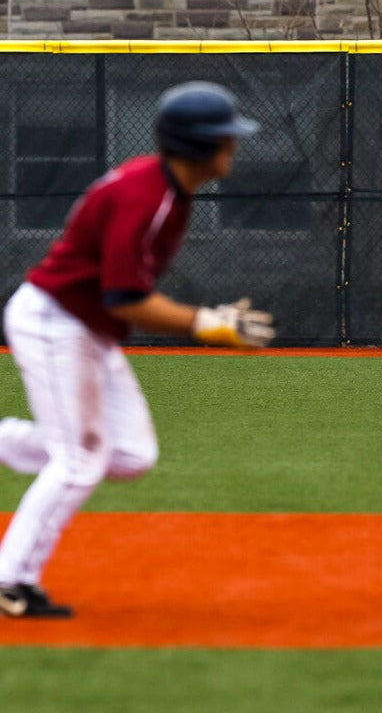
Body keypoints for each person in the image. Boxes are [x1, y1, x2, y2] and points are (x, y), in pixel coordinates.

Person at [0, 81, 275, 618]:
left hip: (86, 326)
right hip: (55, 321)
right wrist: (205, 322)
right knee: (78, 460)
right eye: (226, 138)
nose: (233, 147)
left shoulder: (169, 190)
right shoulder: (146, 195)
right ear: (199, 146)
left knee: (129, 454)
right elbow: (124, 298)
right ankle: (12, 580)